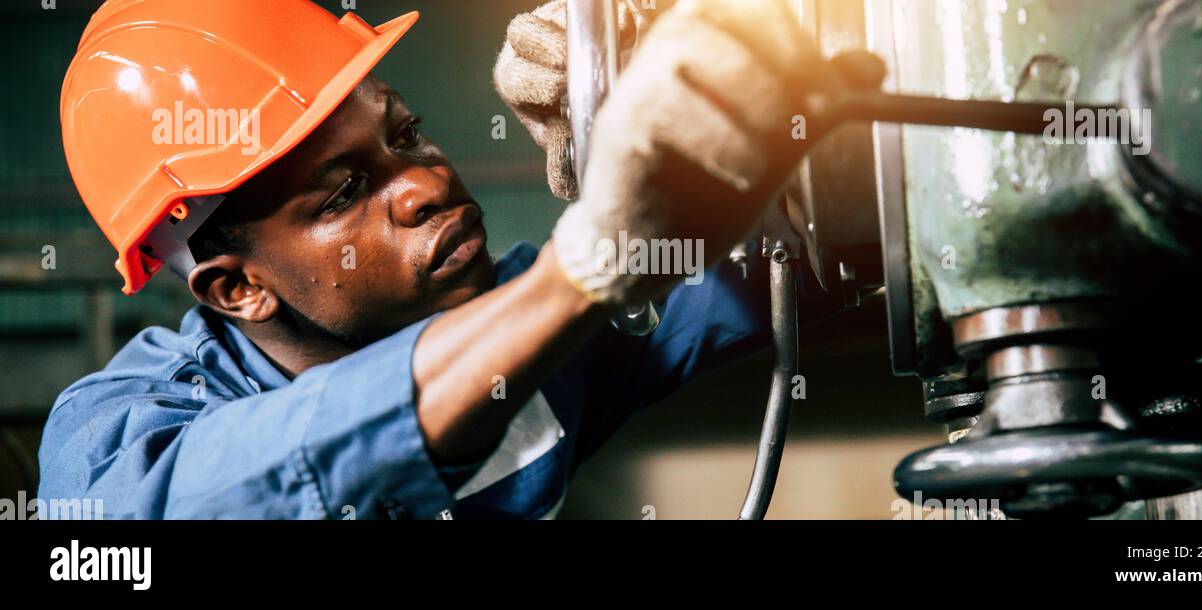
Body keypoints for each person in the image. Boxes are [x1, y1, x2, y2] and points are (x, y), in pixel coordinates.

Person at [39, 0, 867, 518]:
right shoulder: (116, 435)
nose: (425, 185)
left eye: (406, 136)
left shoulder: (523, 326)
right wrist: (580, 269)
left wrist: (711, 114)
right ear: (239, 288)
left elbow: (807, 257)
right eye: (340, 194)